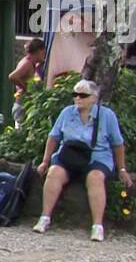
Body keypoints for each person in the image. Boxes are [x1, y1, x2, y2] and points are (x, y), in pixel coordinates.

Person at [32, 79, 131, 241]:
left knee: (96, 177)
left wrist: (122, 169)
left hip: (97, 157)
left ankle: (97, 226)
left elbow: (118, 144)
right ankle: (45, 217)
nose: (78, 98)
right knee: (54, 173)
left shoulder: (107, 116)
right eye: (75, 95)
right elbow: (53, 137)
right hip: (69, 156)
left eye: (83, 95)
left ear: (94, 98)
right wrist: (45, 160)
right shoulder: (67, 113)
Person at [9, 38, 46, 128]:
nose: (44, 56)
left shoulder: (32, 63)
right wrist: (26, 88)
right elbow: (13, 76)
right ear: (38, 51)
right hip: (22, 104)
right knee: (21, 130)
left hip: (24, 103)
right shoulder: (27, 63)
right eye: (43, 53)